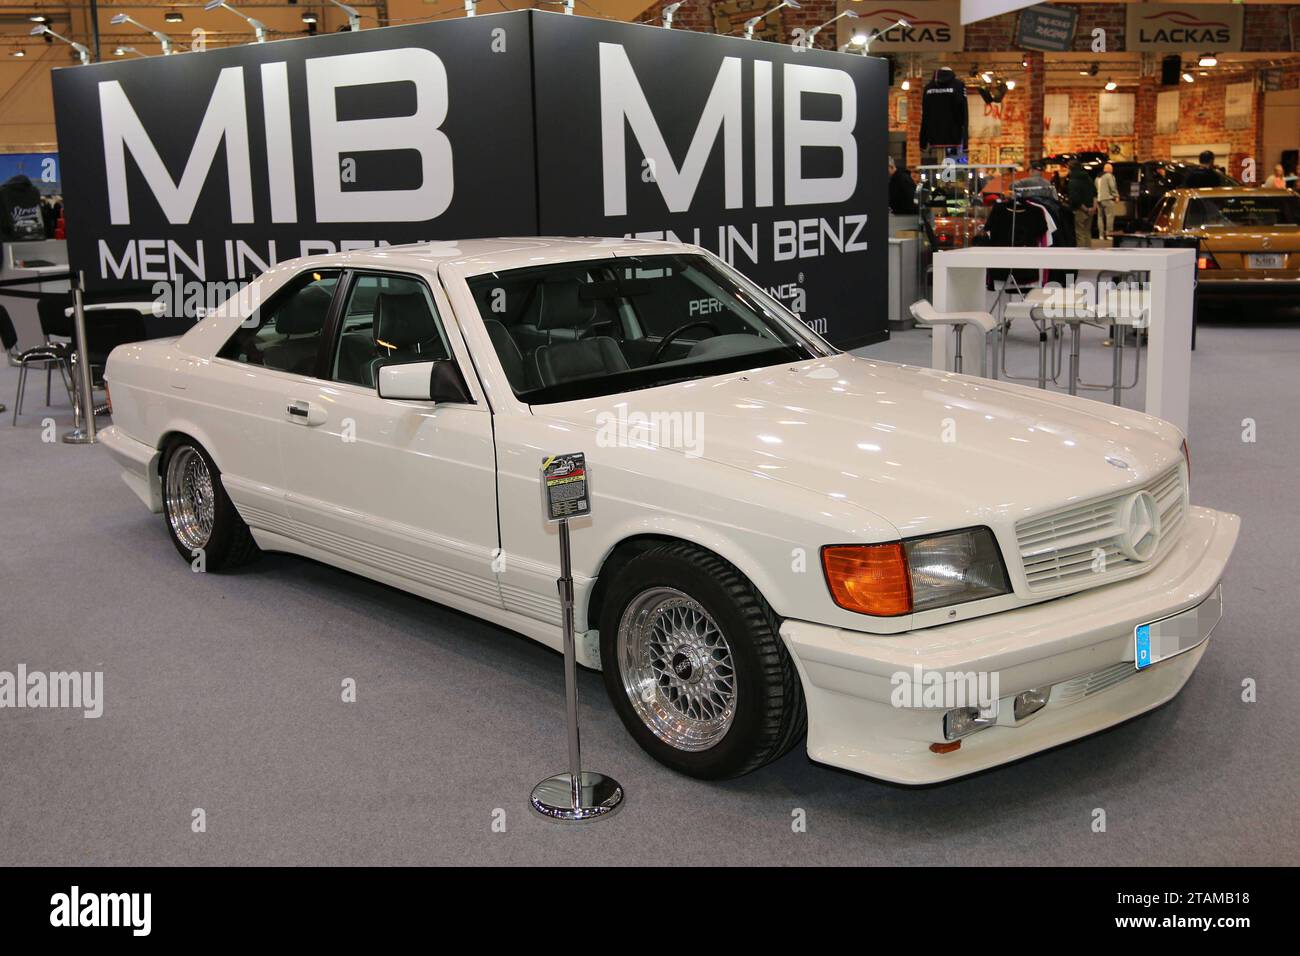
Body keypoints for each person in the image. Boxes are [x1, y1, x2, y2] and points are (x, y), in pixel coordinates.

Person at [1066, 161, 1097, 247]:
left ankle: (1082, 253)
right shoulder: (1088, 178)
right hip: (1091, 209)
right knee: (1087, 232)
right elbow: (1095, 193)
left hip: (1080, 210)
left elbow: (1075, 199)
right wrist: (1093, 208)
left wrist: (1085, 209)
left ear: (1070, 168)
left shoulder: (1073, 181)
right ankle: (1089, 251)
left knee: (1080, 234)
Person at [1095, 162, 1120, 240]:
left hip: (1099, 199)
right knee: (1109, 217)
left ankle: (1101, 235)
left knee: (1100, 217)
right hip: (1107, 199)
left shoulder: (1097, 177)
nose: (1112, 170)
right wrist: (1116, 196)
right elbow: (1112, 186)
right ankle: (1109, 234)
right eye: (1111, 169)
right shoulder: (1109, 176)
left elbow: (1096, 188)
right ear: (1108, 169)